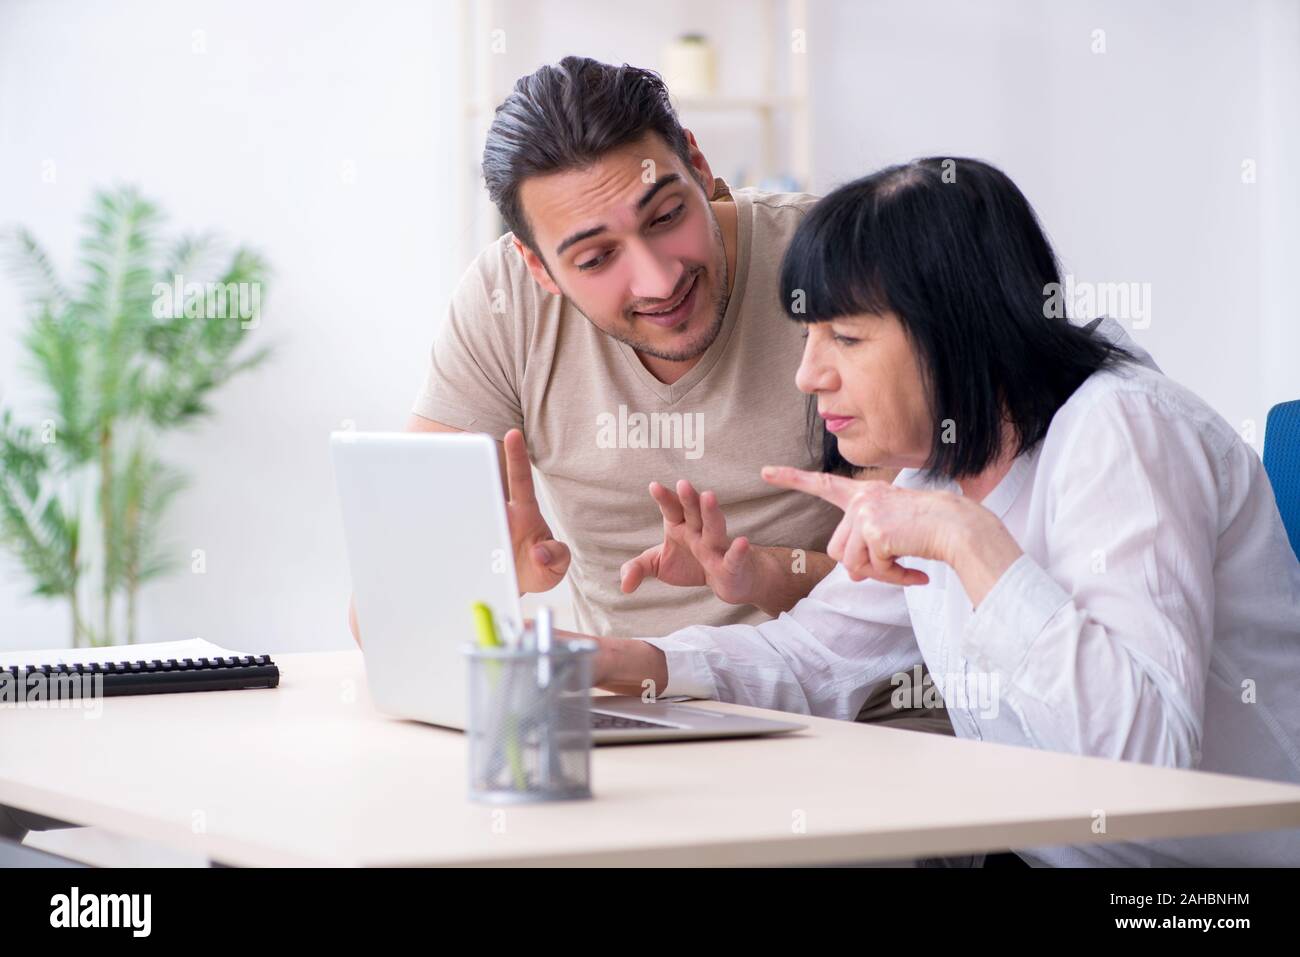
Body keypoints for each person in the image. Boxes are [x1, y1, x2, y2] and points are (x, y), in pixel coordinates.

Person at [576, 157, 1300, 867]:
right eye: (808, 337)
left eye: (847, 339)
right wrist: (630, 662)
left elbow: (1145, 760)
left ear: (958, 333)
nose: (808, 374)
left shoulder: (1123, 430)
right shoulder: (942, 468)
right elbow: (813, 657)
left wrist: (967, 540)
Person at [347, 56, 949, 734]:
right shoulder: (503, 305)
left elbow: (909, 588)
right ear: (537, 267)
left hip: (859, 732)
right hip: (627, 717)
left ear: (697, 163)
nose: (659, 280)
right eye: (597, 258)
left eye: (666, 215)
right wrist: (475, 572)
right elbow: (385, 618)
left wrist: (772, 574)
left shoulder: (837, 271)